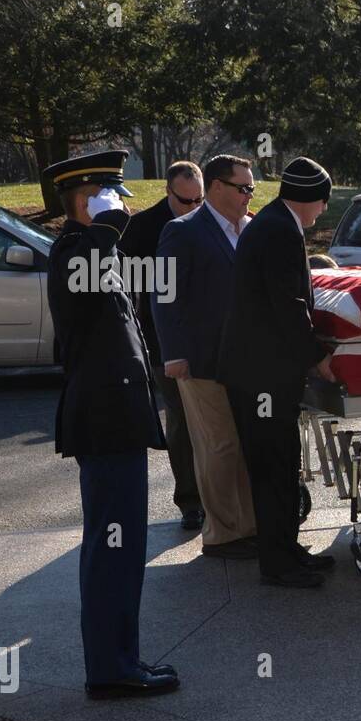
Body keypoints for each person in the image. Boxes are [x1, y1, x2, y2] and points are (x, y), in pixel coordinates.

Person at [42, 149, 178, 698]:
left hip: (119, 420)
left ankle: (123, 658)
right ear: (85, 201)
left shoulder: (95, 254)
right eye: (110, 196)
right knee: (111, 546)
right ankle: (109, 667)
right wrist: (105, 227)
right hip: (103, 422)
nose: (122, 206)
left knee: (125, 547)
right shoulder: (73, 254)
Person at [216, 156, 337, 588]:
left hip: (261, 371)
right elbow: (290, 308)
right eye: (321, 202)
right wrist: (316, 357)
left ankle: (287, 549)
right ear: (310, 199)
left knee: (282, 465)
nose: (322, 211)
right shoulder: (280, 231)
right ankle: (278, 563)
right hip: (260, 376)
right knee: (271, 467)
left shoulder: (271, 223)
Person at [154, 155, 260, 561]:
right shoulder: (182, 231)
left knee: (244, 445)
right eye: (243, 188)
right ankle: (222, 535)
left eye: (251, 188)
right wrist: (175, 353)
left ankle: (248, 527)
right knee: (218, 447)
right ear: (217, 187)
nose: (249, 195)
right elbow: (164, 294)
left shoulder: (250, 230)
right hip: (200, 360)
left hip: (246, 361)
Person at [120, 160, 205, 531]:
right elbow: (127, 288)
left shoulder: (210, 221)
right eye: (185, 201)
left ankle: (217, 495)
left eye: (198, 199)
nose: (192, 207)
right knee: (182, 420)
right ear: (168, 193)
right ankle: (190, 501)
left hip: (208, 338)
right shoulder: (142, 228)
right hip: (163, 341)